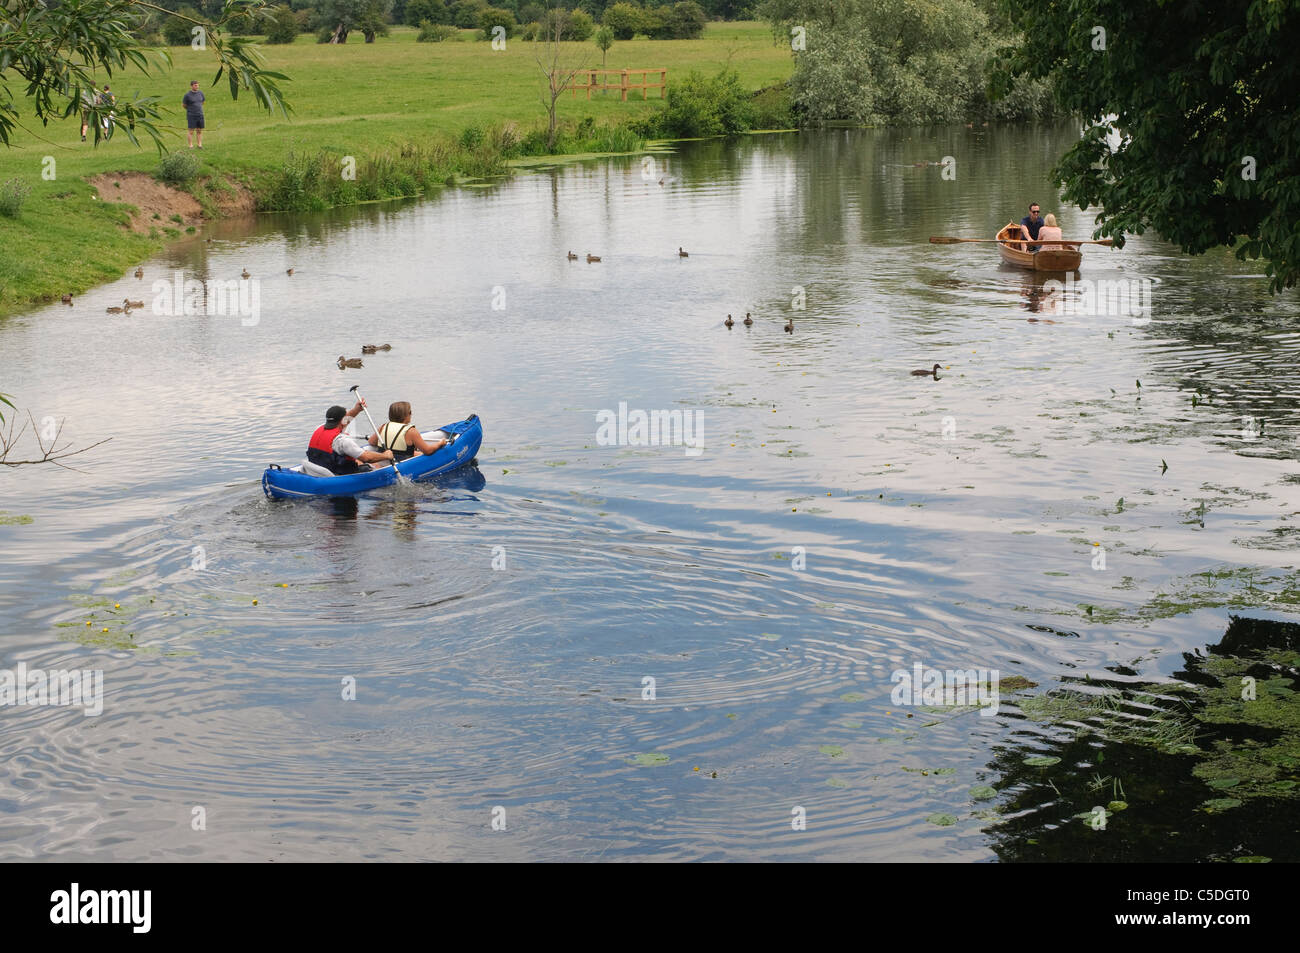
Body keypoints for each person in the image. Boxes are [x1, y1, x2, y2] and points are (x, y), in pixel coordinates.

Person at [306, 400, 394, 475]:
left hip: (320, 467)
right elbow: (367, 458)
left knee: (356, 460)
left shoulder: (319, 428)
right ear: (342, 420)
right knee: (377, 465)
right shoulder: (342, 441)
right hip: (337, 473)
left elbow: (343, 421)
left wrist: (357, 410)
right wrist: (385, 455)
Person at [368, 401, 450, 461]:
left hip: (382, 461)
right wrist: (440, 443)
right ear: (407, 414)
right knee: (419, 453)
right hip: (399, 463)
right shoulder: (411, 431)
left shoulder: (383, 427)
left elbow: (371, 442)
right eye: (410, 412)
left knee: (414, 452)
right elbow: (428, 451)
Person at [182, 81, 205, 149]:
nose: (197, 86)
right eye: (195, 85)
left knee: (199, 131)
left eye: (197, 85)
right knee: (191, 131)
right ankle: (190, 146)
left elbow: (203, 102)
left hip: (200, 114)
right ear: (191, 86)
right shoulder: (187, 95)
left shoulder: (201, 93)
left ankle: (199, 145)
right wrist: (190, 109)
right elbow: (184, 105)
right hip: (191, 115)